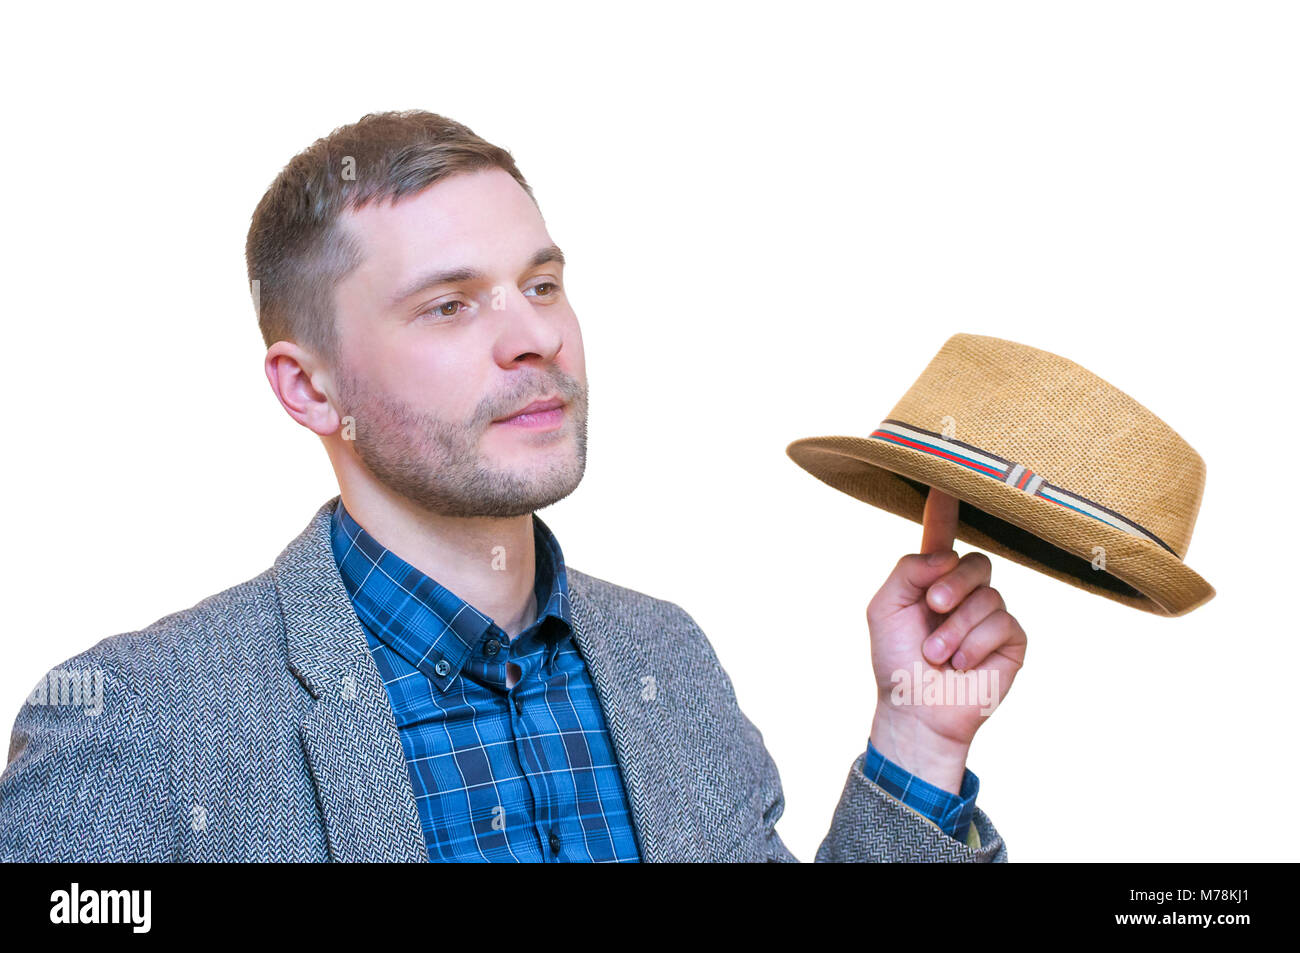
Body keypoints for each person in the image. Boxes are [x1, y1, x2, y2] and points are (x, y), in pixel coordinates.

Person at [0, 111, 1027, 862]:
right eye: (448, 306)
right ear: (310, 388)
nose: (535, 334)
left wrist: (915, 736)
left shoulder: (666, 657)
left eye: (541, 284)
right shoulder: (137, 720)